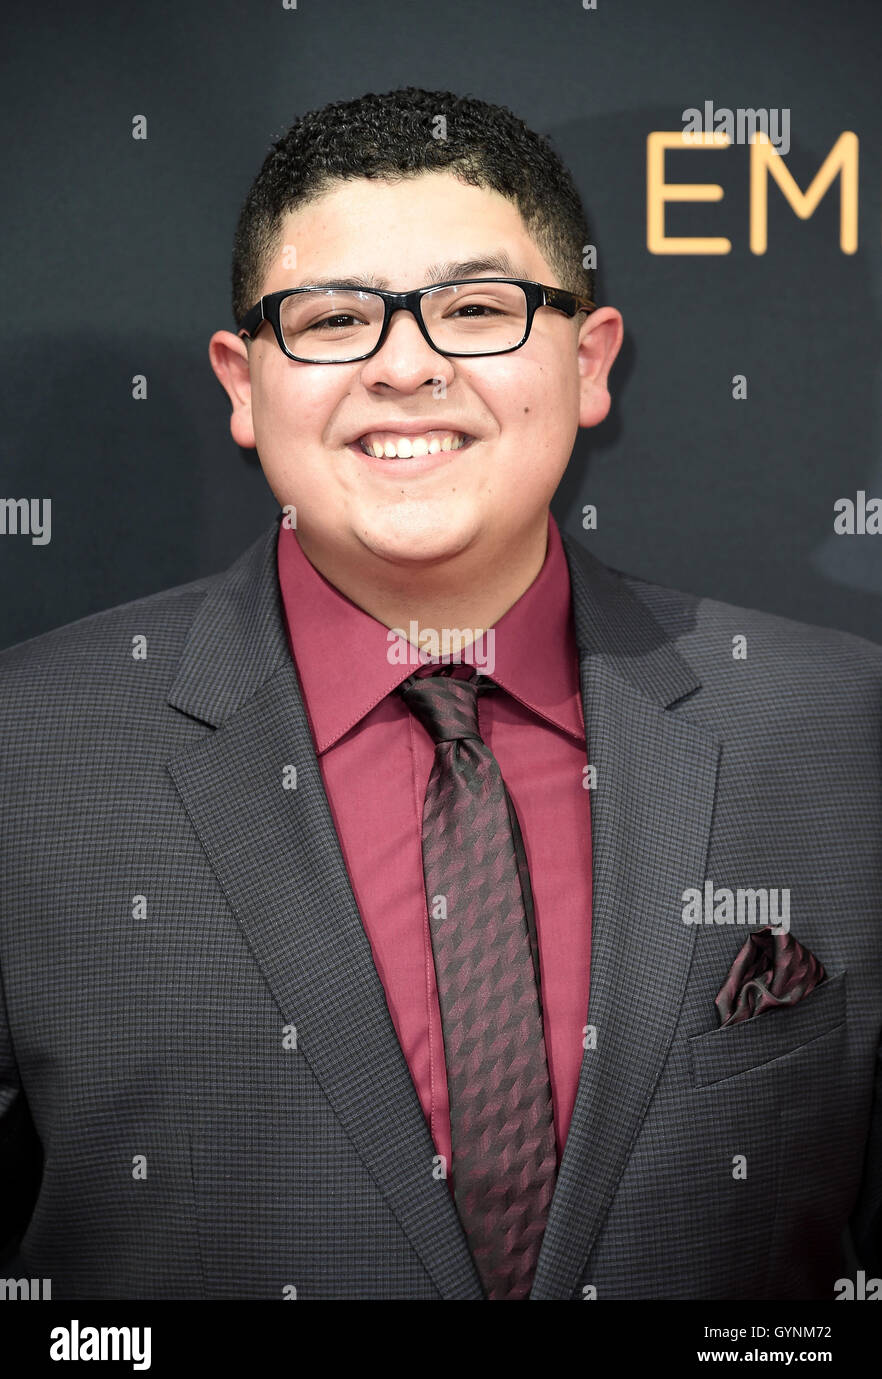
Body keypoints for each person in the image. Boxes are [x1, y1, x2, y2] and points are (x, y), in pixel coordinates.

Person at [0, 86, 879, 1301]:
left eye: (476, 308)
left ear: (590, 361)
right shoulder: (26, 753)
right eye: (331, 320)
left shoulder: (840, 729)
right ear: (243, 386)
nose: (406, 366)